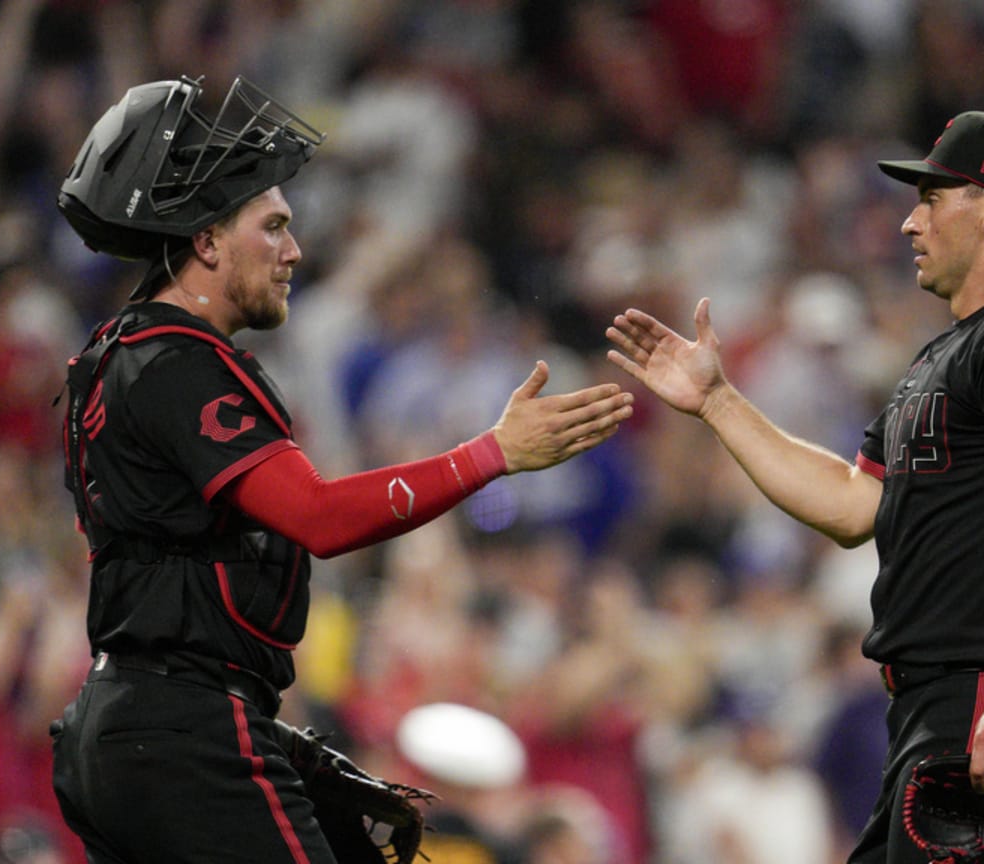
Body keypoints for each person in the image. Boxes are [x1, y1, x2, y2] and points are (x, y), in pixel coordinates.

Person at [47, 75, 633, 864]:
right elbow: (317, 518)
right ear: (208, 242)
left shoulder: (116, 354)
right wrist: (492, 454)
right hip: (179, 730)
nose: (294, 250)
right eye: (274, 226)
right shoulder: (178, 362)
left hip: (127, 722)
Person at [607, 110, 984, 863]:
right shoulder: (940, 359)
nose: (910, 224)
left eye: (932, 199)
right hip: (935, 714)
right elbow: (852, 505)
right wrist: (717, 401)